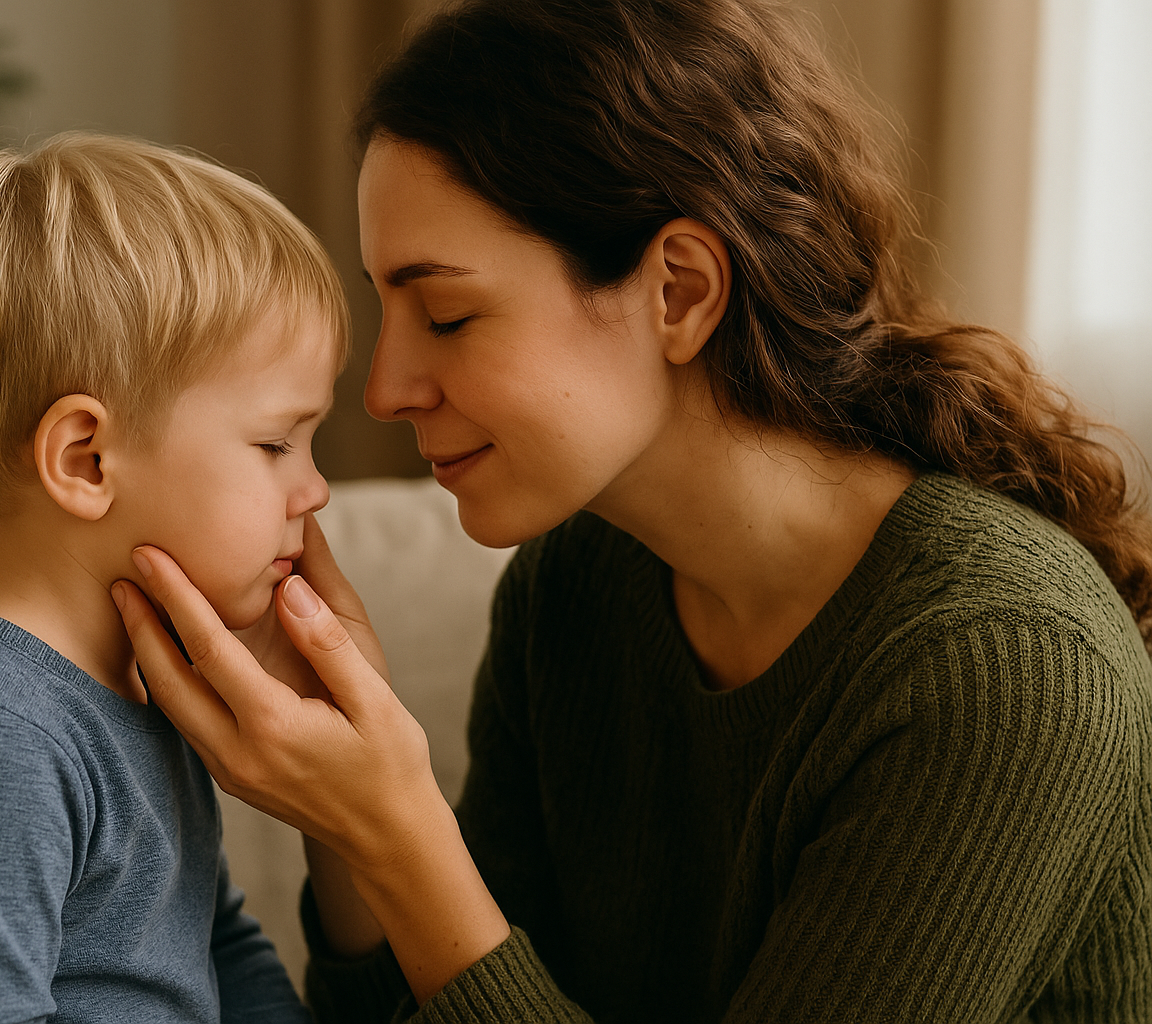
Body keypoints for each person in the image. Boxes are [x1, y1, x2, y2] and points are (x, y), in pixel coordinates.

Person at [112, 1, 1152, 1022]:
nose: (385, 390)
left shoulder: (1005, 662)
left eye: (448, 313)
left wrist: (399, 828)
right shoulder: (576, 582)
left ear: (680, 292)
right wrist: (343, 804)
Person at [0, 131, 344, 1023]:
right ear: (86, 460)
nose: (313, 487)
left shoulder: (138, 681)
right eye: (277, 443)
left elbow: (216, 942)